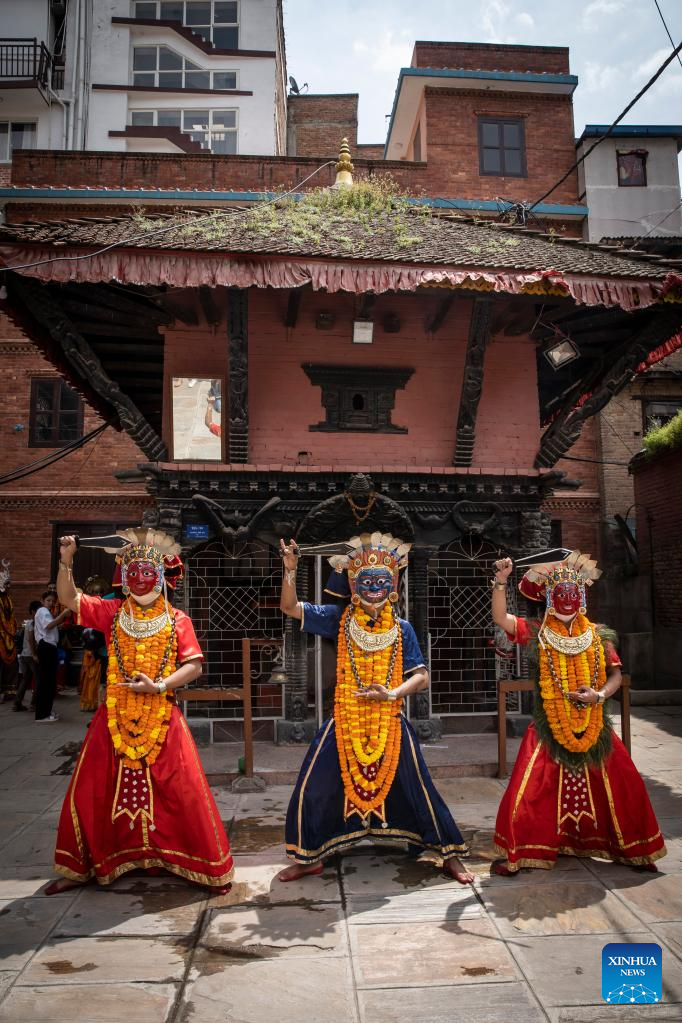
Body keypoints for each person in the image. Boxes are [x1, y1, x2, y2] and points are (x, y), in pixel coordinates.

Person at [277, 534, 474, 884]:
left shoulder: (402, 629)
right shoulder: (338, 618)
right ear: (353, 584)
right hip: (345, 720)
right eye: (366, 581)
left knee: (420, 787)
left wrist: (393, 693)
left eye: (382, 581)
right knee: (314, 785)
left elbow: (422, 677)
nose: (375, 588)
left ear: (393, 586)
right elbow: (290, 608)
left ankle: (449, 854)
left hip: (390, 718)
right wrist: (290, 570)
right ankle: (309, 857)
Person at [46, 528, 233, 895]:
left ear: (162, 577)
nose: (141, 579)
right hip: (113, 720)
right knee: (91, 790)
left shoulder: (177, 618)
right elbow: (69, 597)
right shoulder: (112, 612)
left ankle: (198, 864)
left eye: (148, 572)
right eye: (133, 573)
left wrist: (160, 686)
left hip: (162, 715)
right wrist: (66, 560)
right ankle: (83, 865)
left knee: (182, 790)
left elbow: (194, 665)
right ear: (124, 578)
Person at [491, 551, 666, 875]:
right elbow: (502, 619)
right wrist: (501, 582)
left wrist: (599, 695)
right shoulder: (539, 630)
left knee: (623, 786)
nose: (567, 599)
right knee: (529, 791)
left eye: (573, 593)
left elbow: (615, 674)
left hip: (594, 724)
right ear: (551, 599)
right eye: (561, 594)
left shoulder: (597, 634)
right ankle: (525, 850)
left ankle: (633, 848)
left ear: (582, 597)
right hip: (549, 728)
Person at [34, 590, 70, 721]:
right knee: (46, 681)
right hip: (46, 647)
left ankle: (46, 711)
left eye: (53, 601)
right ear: (43, 601)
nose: (51, 603)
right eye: (48, 600)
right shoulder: (42, 611)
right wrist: (62, 616)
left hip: (48, 647)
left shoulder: (46, 612)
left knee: (49, 681)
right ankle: (42, 714)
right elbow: (48, 625)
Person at [78, 576, 109, 713]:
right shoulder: (88, 609)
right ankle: (91, 703)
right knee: (89, 679)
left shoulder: (107, 606)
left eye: (99, 592)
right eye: (94, 592)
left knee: (102, 680)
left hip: (103, 651)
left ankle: (100, 706)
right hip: (91, 653)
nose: (97, 595)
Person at [14, 600, 41, 711]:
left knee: (26, 679)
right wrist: (34, 654)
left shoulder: (28, 622)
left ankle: (17, 703)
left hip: (25, 654)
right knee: (39, 679)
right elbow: (31, 640)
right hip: (31, 655)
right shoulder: (33, 622)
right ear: (33, 611)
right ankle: (33, 704)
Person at [0, 559, 19, 704]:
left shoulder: (8, 599)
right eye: (6, 584)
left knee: (11, 665)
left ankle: (10, 692)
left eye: (9, 584)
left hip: (9, 636)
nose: (8, 587)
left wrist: (13, 630)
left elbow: (11, 617)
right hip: (2, 636)